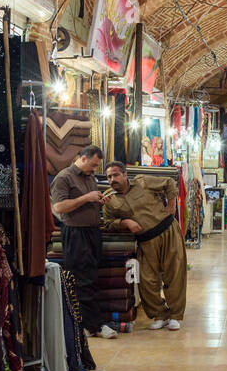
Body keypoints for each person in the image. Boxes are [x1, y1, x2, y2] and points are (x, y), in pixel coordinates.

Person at [102, 161, 187, 330]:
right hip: (146, 240)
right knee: (147, 280)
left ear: (125, 175)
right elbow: (108, 223)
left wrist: (171, 205)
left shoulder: (142, 182)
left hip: (167, 230)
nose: (113, 179)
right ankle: (159, 314)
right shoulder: (109, 199)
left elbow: (169, 183)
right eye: (109, 176)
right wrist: (124, 222)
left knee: (174, 272)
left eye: (116, 175)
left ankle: (176, 315)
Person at [50, 146, 116, 340]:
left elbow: (85, 202)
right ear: (83, 158)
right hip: (76, 233)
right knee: (82, 279)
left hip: (92, 232)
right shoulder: (64, 178)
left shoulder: (90, 177)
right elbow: (59, 206)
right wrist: (87, 197)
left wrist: (98, 201)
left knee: (92, 276)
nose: (95, 169)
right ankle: (93, 325)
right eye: (94, 164)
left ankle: (89, 323)